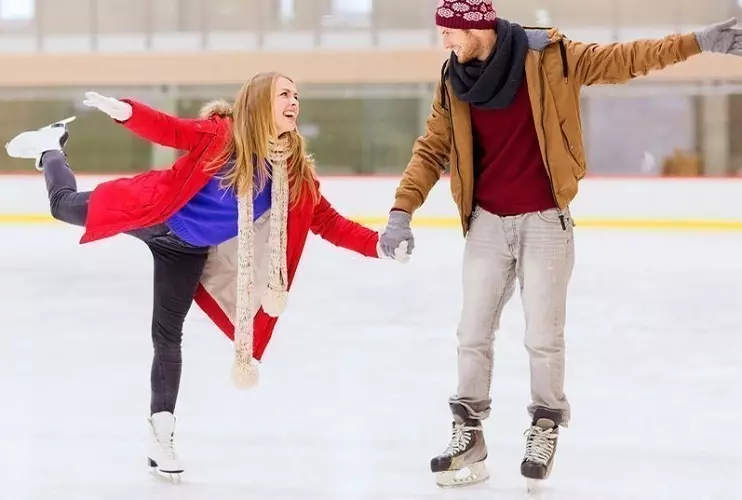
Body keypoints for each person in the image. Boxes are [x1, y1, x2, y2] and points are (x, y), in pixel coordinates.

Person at [378, 1, 742, 489]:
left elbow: (625, 58)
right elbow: (431, 148)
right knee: (472, 333)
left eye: (449, 31)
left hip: (546, 221)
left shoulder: (551, 55)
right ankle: (469, 433)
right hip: (486, 223)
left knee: (543, 337)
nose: (443, 42)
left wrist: (697, 42)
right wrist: (401, 211)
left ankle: (544, 425)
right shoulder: (453, 79)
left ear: (477, 25)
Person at [5, 71, 408, 481]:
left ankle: (160, 434)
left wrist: (379, 244)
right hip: (153, 211)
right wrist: (126, 111)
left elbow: (330, 222)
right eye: (284, 94)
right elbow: (170, 131)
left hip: (186, 251)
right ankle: (51, 149)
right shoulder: (221, 135)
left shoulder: (294, 174)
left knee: (167, 334)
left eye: (297, 95)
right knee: (63, 206)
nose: (294, 102)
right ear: (259, 102)